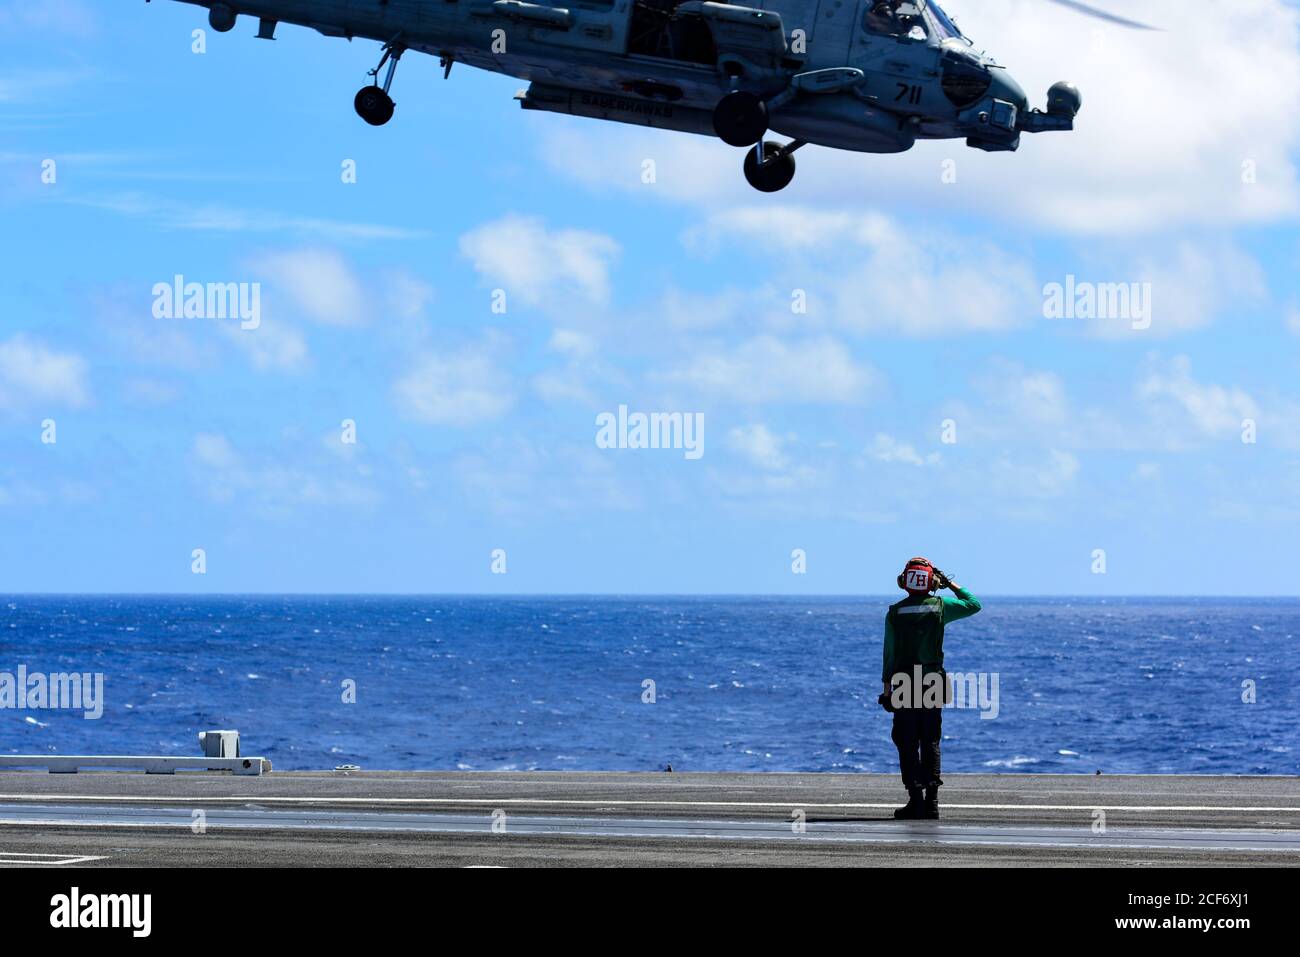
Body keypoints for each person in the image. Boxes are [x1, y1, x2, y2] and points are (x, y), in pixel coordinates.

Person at [879, 557, 982, 820]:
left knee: (906, 740)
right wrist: (949, 582)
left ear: (904, 582)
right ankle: (932, 802)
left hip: (903, 681)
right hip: (933, 679)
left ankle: (915, 800)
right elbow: (973, 604)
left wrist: (887, 689)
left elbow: (889, 654)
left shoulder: (895, 612)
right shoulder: (941, 606)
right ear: (932, 582)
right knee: (931, 739)